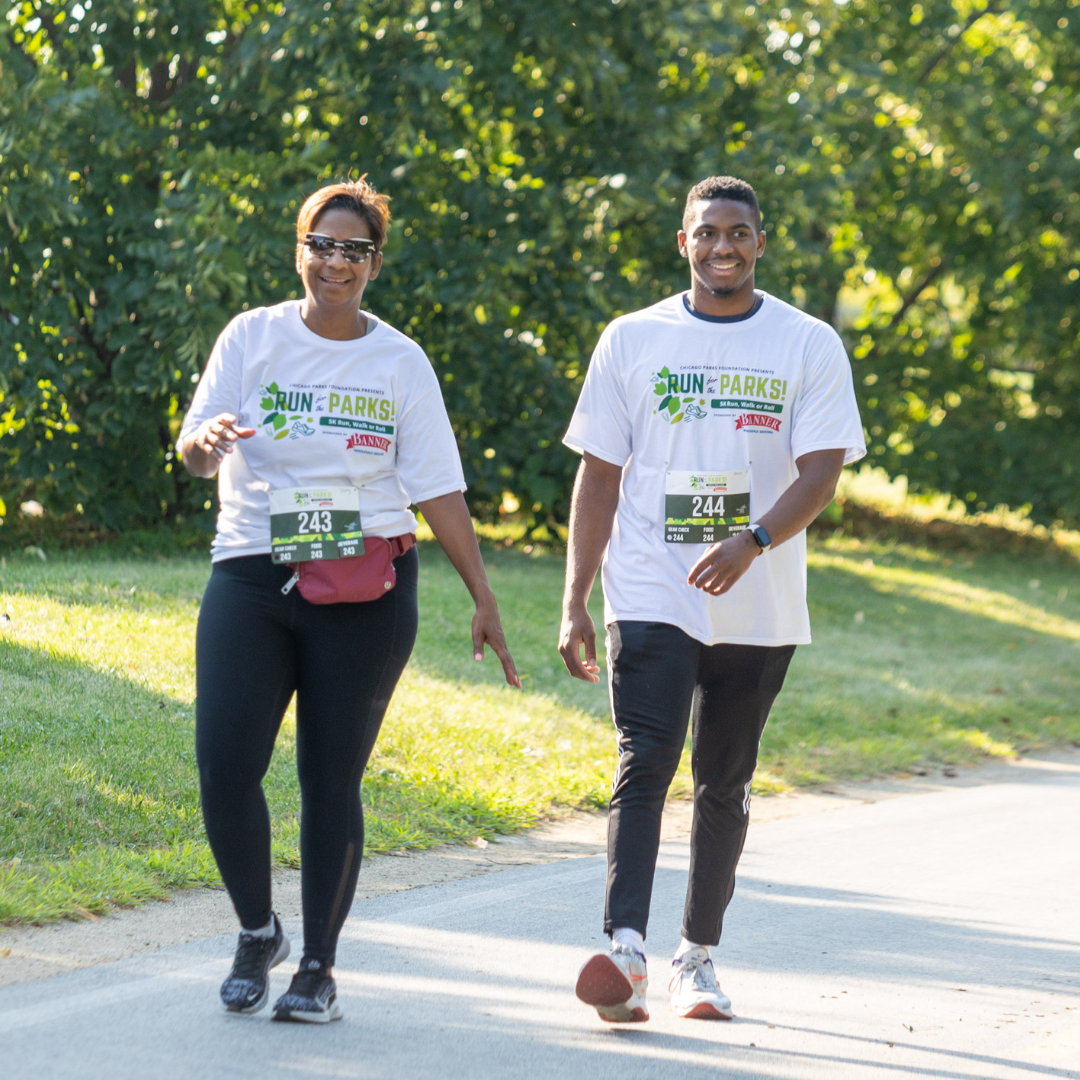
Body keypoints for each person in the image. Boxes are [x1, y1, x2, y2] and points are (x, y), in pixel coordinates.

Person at [179, 177, 520, 1024]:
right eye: (322, 245)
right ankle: (258, 931)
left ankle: (318, 970)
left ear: (375, 262)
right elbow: (193, 447)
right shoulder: (251, 337)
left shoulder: (399, 361)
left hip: (366, 586)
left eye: (355, 250)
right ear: (300, 250)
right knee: (225, 767)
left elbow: (438, 489)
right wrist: (206, 440)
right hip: (254, 574)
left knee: (330, 779)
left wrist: (482, 594)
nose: (336, 262)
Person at [558, 175, 865, 1023]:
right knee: (644, 757)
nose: (721, 246)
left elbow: (823, 472)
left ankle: (697, 958)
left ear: (760, 243)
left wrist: (754, 542)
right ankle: (625, 952)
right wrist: (575, 597)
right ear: (682, 242)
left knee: (723, 779)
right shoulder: (632, 339)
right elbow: (599, 471)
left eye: (738, 233)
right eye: (706, 233)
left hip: (757, 592)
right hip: (652, 582)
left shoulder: (806, 344)